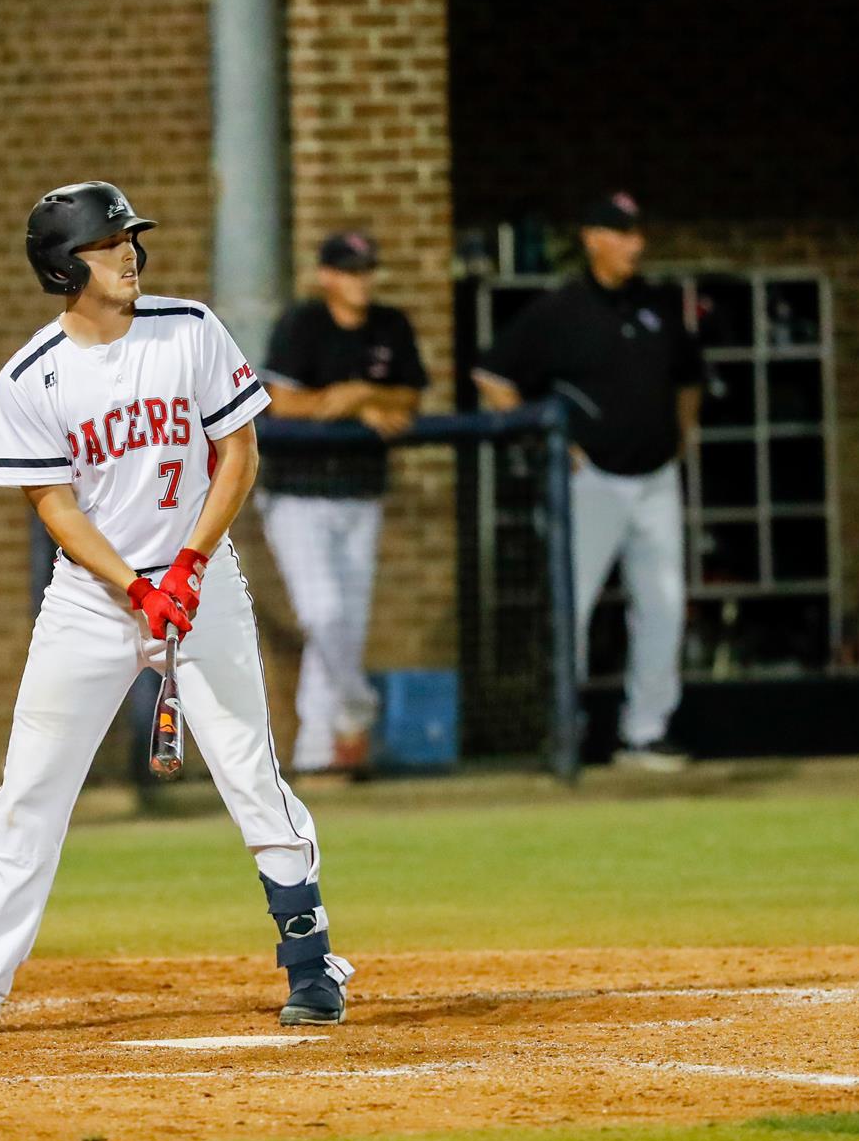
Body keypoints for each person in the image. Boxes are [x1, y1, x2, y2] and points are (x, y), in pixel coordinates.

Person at [0, 181, 349, 1035]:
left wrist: (187, 562)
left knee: (248, 770)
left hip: (201, 580)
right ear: (59, 267)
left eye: (129, 238)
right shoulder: (29, 373)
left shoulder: (188, 329)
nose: (129, 253)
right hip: (94, 597)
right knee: (30, 790)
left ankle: (311, 963)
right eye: (107, 243)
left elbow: (238, 451)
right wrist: (136, 584)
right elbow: (55, 505)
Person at [472, 190, 701, 772]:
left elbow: (689, 375)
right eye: (621, 233)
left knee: (665, 606)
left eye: (636, 233)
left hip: (656, 479)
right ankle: (563, 731)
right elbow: (492, 375)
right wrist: (550, 445)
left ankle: (645, 733)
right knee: (572, 606)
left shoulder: (658, 303)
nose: (635, 244)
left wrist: (683, 433)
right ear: (592, 238)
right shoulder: (561, 308)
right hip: (591, 479)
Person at [257, 231, 427, 776]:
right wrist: (355, 403)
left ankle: (314, 748)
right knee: (323, 612)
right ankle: (358, 706)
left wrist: (355, 397)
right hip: (297, 494)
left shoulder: (390, 325)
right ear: (327, 275)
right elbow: (282, 403)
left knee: (344, 625)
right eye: (350, 270)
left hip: (360, 491)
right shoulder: (301, 324)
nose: (361, 280)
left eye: (367, 270)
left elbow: (408, 395)